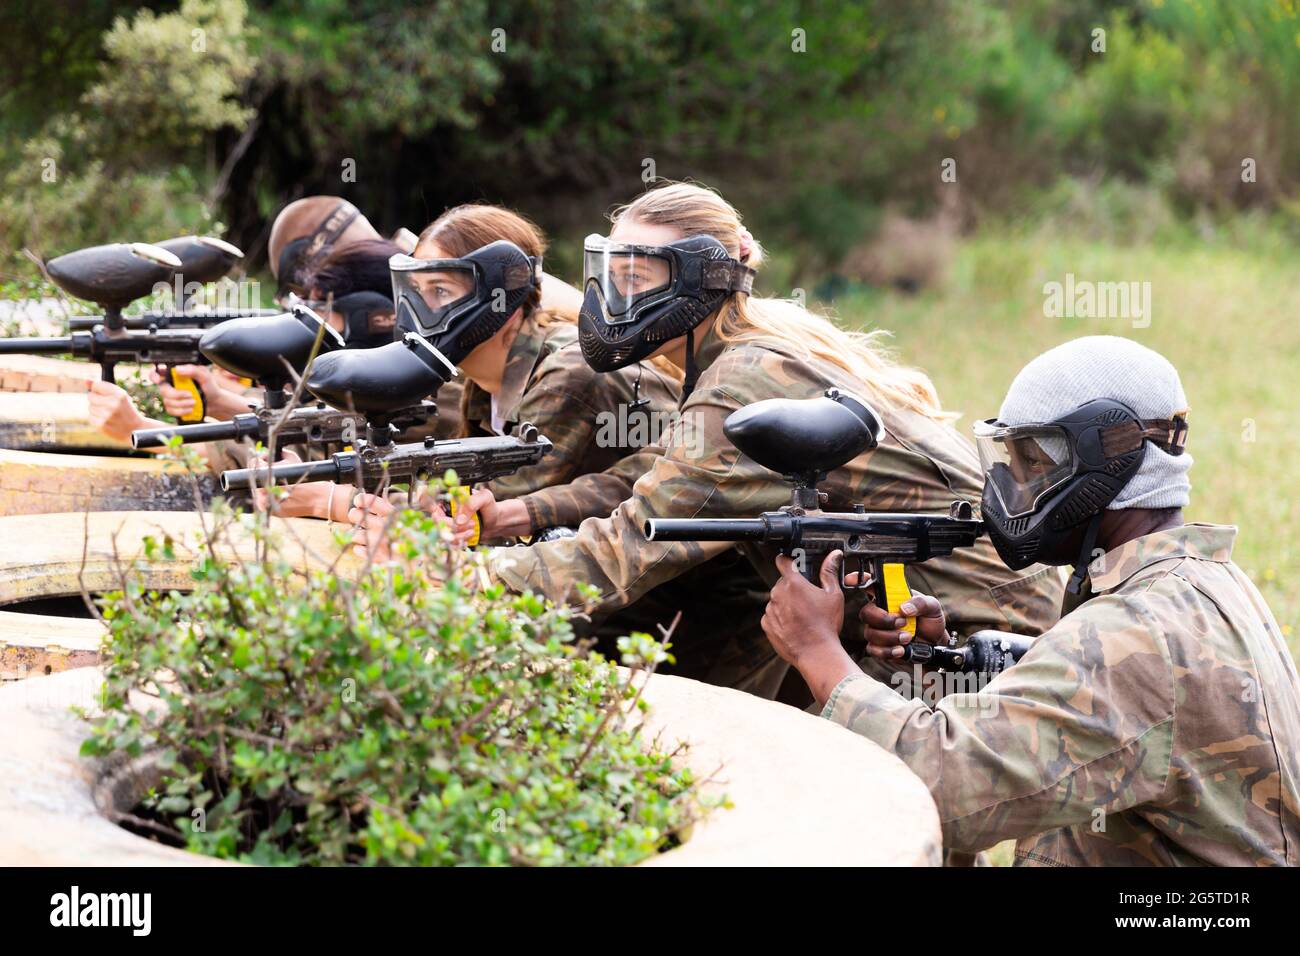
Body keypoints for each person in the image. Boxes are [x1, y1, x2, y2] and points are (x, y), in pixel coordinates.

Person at [356, 182, 1063, 699]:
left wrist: (441, 585)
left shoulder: (741, 379)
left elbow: (621, 554)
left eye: (637, 280)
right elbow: (658, 471)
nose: (611, 302)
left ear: (697, 280)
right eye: (611, 277)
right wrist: (529, 515)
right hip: (923, 613)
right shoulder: (747, 347)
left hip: (961, 625)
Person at [760, 335, 1300, 865]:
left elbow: (944, 792)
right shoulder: (1197, 583)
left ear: (1101, 459)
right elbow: (1098, 724)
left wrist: (817, 652)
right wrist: (944, 659)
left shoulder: (1135, 631)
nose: (1009, 489)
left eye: (1031, 465)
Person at [269, 203, 680, 530]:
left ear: (499, 297)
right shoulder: (480, 379)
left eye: (441, 290)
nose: (419, 310)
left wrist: (331, 500)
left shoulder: (569, 374)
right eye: (415, 291)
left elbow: (479, 513)